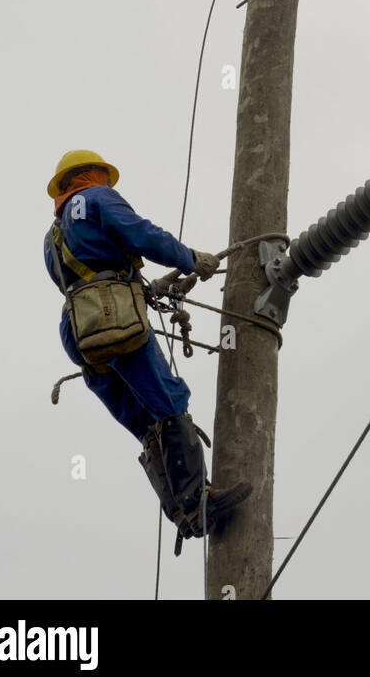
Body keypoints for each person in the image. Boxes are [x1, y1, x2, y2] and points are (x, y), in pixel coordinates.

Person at [44, 149, 250, 546]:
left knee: (145, 423)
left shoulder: (50, 238)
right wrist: (191, 260)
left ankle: (180, 511)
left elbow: (89, 272)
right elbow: (142, 234)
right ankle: (197, 500)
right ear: (92, 175)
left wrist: (143, 289)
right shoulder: (98, 199)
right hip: (113, 319)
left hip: (79, 333)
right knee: (169, 401)